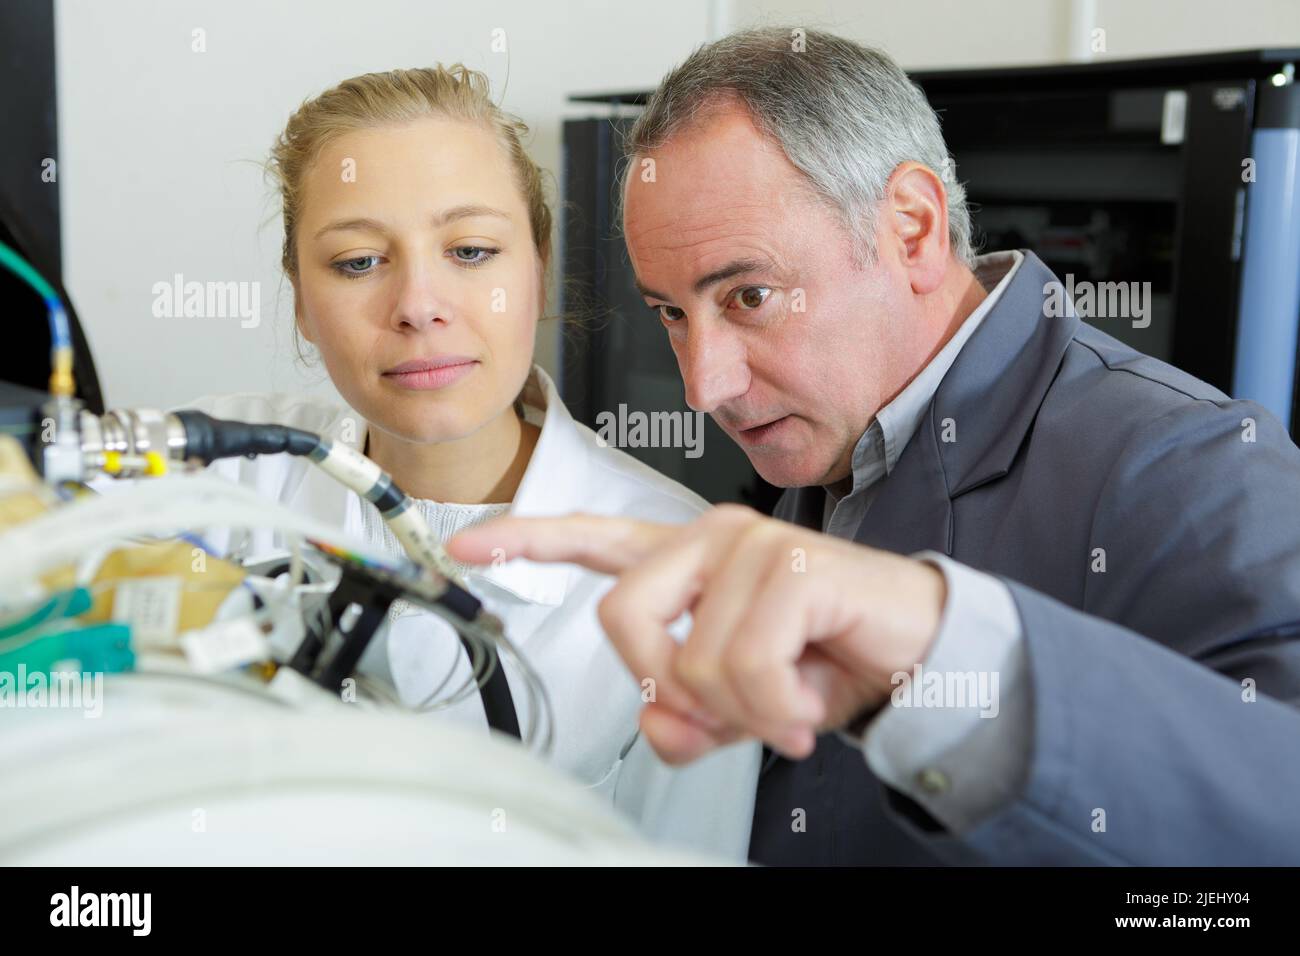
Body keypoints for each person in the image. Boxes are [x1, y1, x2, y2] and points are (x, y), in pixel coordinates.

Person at [447, 28, 1300, 865]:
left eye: (749, 295)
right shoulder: (829, 456)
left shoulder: (1193, 467)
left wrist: (947, 648)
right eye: (672, 313)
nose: (705, 387)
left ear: (914, 229)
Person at [182, 65, 759, 860]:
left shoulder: (682, 570)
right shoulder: (211, 482)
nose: (418, 304)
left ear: (538, 266)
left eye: (472, 250)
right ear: (300, 301)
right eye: (357, 263)